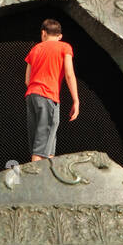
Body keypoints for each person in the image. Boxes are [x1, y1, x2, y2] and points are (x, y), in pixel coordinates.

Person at [24, 18, 79, 161]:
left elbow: (27, 80)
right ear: (60, 36)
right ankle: (34, 183)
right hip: (48, 97)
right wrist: (76, 100)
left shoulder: (34, 49)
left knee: (46, 147)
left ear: (43, 33)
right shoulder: (64, 47)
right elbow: (69, 74)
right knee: (40, 150)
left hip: (31, 96)